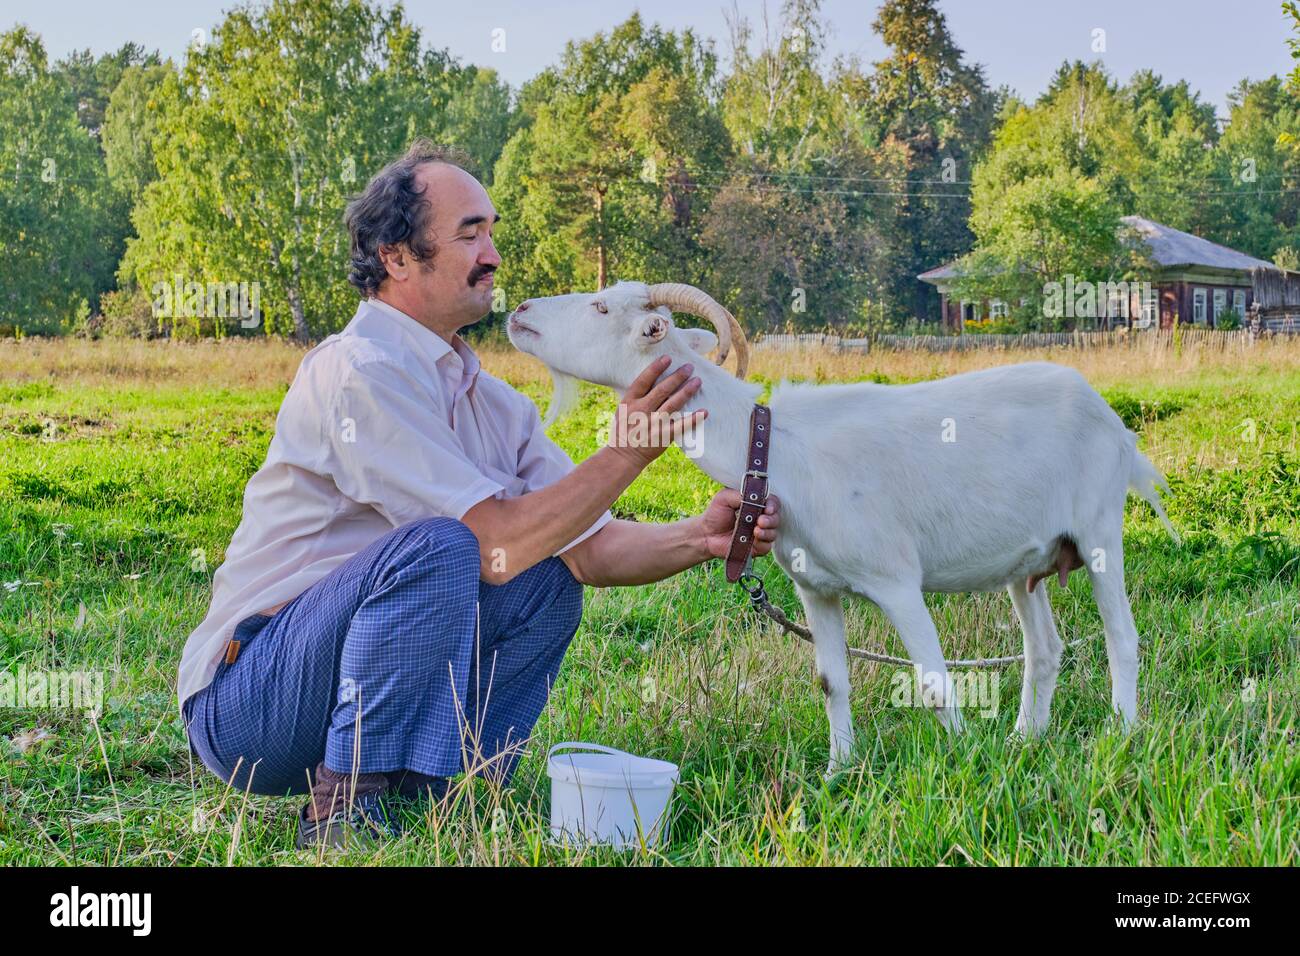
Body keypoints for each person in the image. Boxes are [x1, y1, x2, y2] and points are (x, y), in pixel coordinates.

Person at [177, 140, 781, 848]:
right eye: (471, 233)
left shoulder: (491, 403)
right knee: (446, 545)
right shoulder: (358, 372)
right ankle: (346, 809)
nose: (493, 254)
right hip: (254, 703)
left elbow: (584, 548)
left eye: (492, 231)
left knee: (548, 580)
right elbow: (493, 540)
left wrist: (699, 537)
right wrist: (624, 453)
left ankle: (447, 794)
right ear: (397, 255)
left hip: (337, 678)